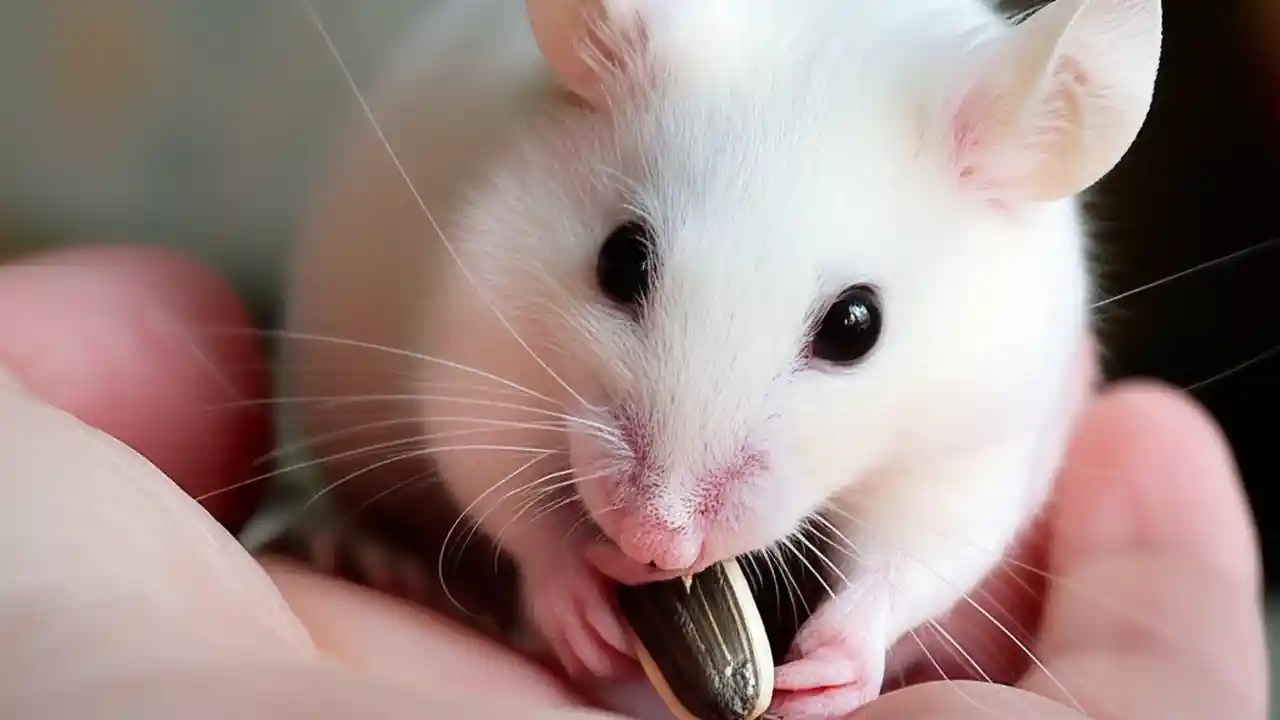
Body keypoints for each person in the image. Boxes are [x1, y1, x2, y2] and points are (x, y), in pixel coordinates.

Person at [0, 244, 1268, 719]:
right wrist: (539, 542)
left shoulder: (1006, 291)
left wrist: (874, 614)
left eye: (845, 330)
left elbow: (984, 462)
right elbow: (467, 336)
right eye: (626, 268)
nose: (661, 528)